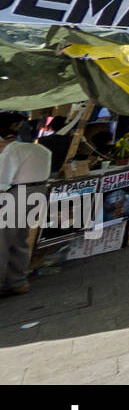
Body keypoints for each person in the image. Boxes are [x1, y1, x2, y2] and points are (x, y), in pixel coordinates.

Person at [0, 127, 51, 297]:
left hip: (20, 194)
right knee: (19, 238)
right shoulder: (41, 149)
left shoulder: (12, 150)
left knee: (3, 240)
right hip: (38, 191)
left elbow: (2, 180)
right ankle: (18, 282)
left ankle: (9, 282)